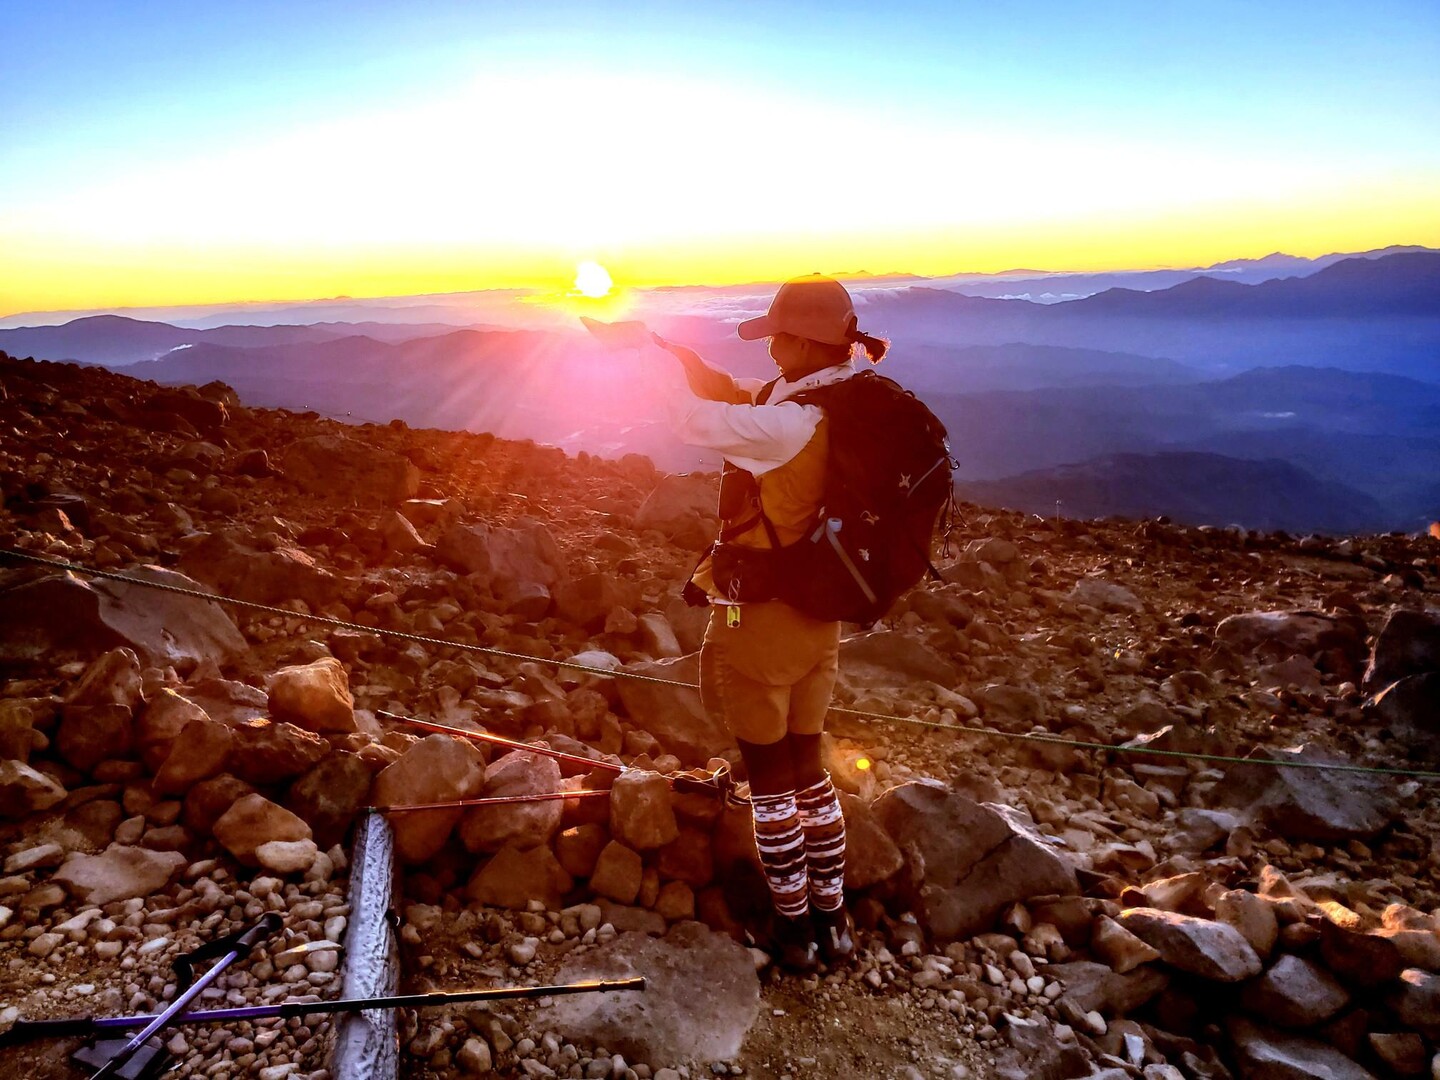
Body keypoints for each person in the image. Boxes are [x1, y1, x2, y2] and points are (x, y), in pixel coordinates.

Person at [652, 274, 888, 971]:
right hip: (818, 619)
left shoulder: (791, 425)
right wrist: (693, 363)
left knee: (772, 787)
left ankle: (792, 932)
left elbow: (689, 420)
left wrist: (640, 361)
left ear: (806, 339)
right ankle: (832, 922)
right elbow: (747, 400)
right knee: (809, 774)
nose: (771, 346)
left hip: (762, 623)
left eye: (779, 336)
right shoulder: (839, 395)